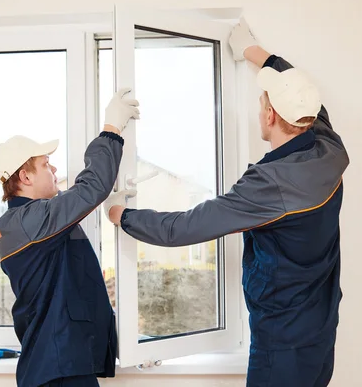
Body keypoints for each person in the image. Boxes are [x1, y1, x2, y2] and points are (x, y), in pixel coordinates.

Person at [103, 19, 349, 387]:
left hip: (281, 346)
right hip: (321, 332)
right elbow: (306, 93)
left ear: (269, 115)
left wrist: (122, 215)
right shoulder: (329, 147)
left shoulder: (270, 185)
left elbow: (183, 227)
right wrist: (254, 52)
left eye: (263, 101)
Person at [0, 88, 140, 387]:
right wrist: (111, 129)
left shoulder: (29, 222)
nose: (55, 169)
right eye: (46, 164)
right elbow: (89, 189)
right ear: (26, 177)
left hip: (58, 366)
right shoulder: (28, 221)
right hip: (58, 371)